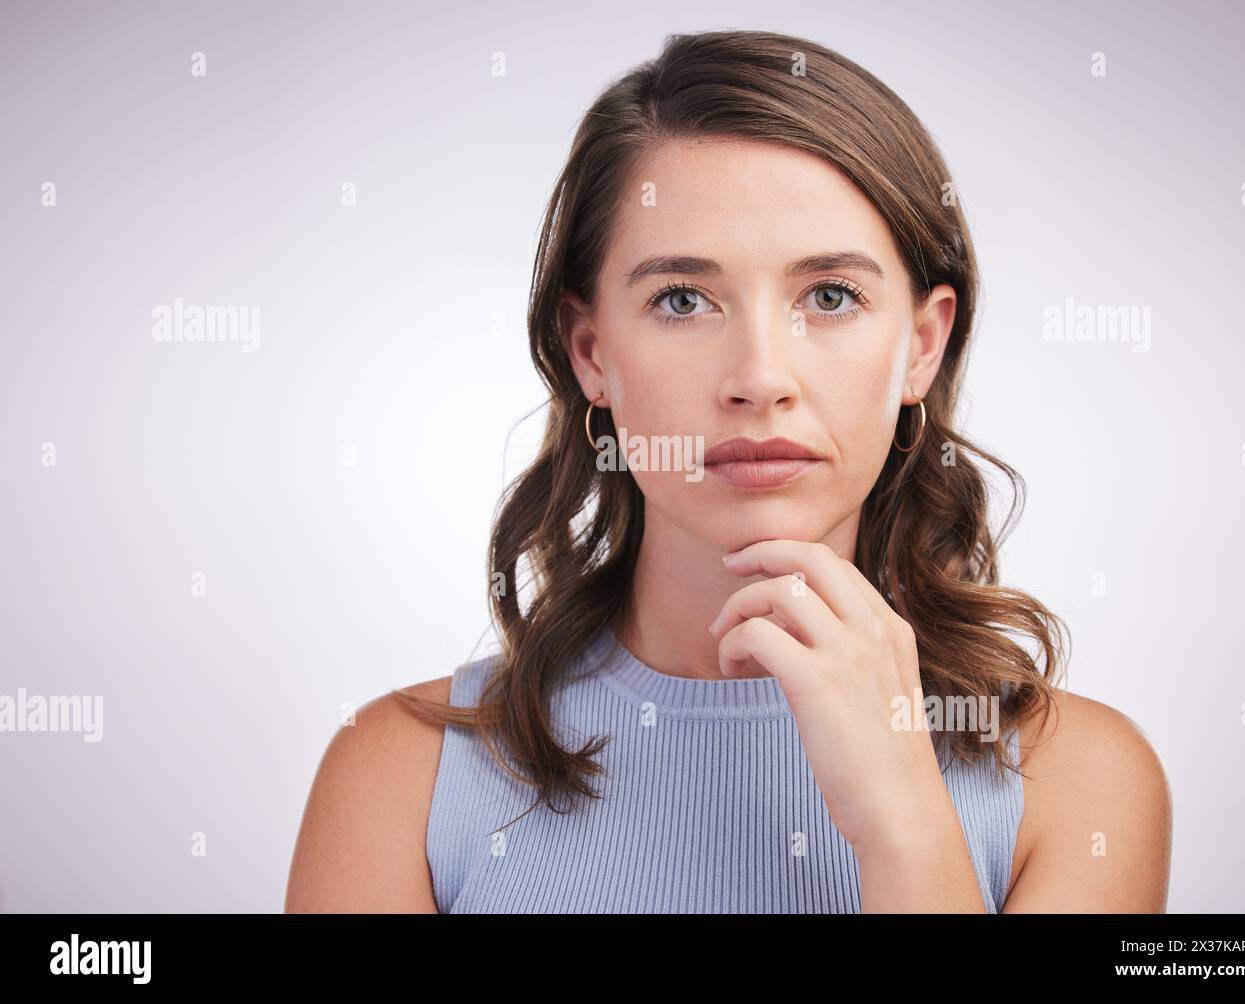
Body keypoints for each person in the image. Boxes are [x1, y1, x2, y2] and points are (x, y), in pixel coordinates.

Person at [285, 29, 1172, 914]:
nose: (760, 380)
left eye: (829, 296)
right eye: (682, 300)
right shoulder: (401, 774)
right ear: (591, 352)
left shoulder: (1078, 785)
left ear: (922, 346)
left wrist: (903, 818)